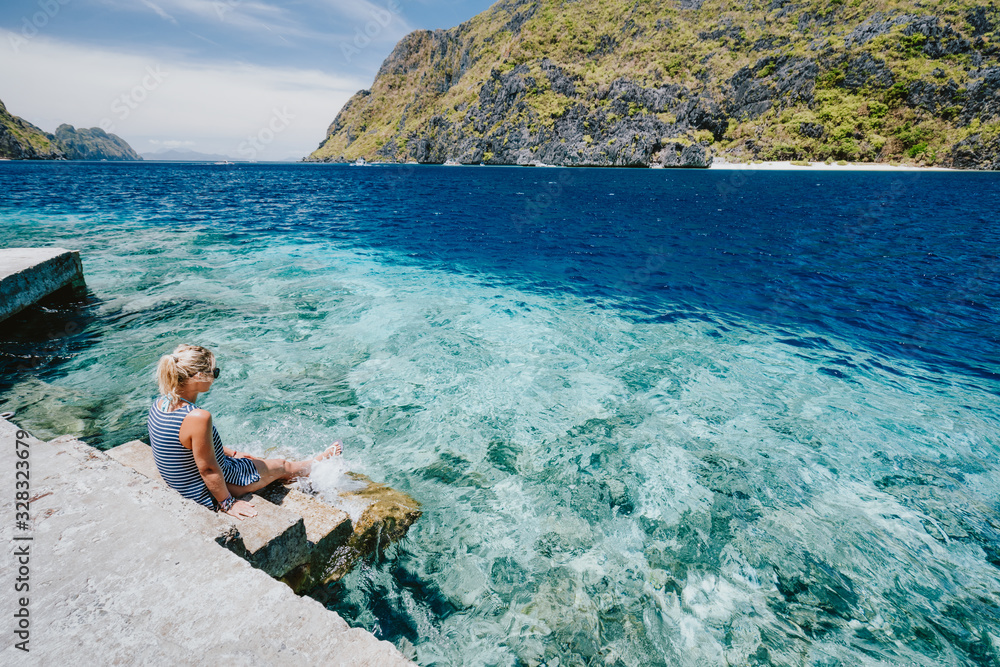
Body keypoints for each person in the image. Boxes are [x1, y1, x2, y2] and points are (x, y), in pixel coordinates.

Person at [147, 344, 342, 520]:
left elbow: (192, 447)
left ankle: (287, 472)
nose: (215, 376)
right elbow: (208, 469)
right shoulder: (198, 417)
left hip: (185, 483)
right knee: (281, 465)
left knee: (254, 460)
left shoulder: (160, 404)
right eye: (215, 372)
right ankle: (317, 464)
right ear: (198, 376)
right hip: (204, 490)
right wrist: (227, 503)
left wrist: (232, 453)